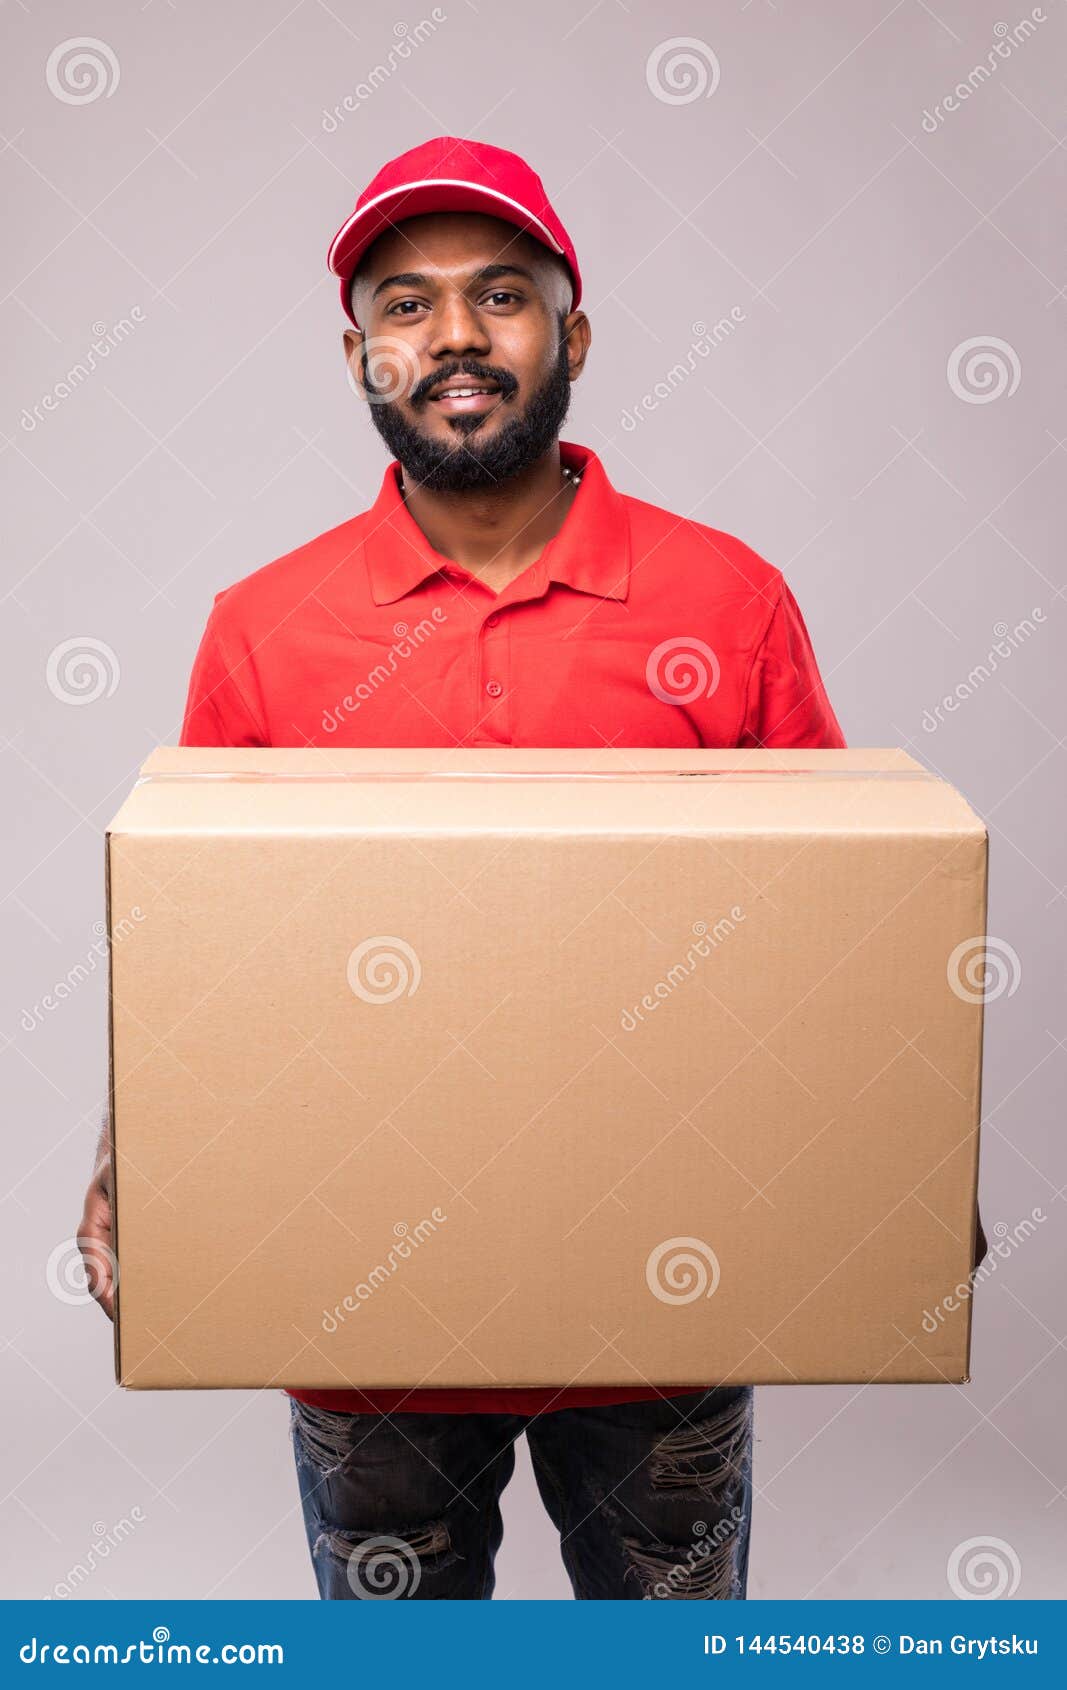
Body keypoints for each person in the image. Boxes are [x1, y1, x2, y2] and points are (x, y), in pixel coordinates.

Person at [78, 135, 986, 1601]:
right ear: (360, 354)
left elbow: (842, 924)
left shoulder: (723, 598)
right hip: (360, 1295)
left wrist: (906, 1150)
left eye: (500, 296)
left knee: (671, 1656)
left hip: (668, 1288)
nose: (453, 336)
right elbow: (203, 946)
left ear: (572, 334)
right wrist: (139, 1157)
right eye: (405, 303)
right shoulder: (266, 627)